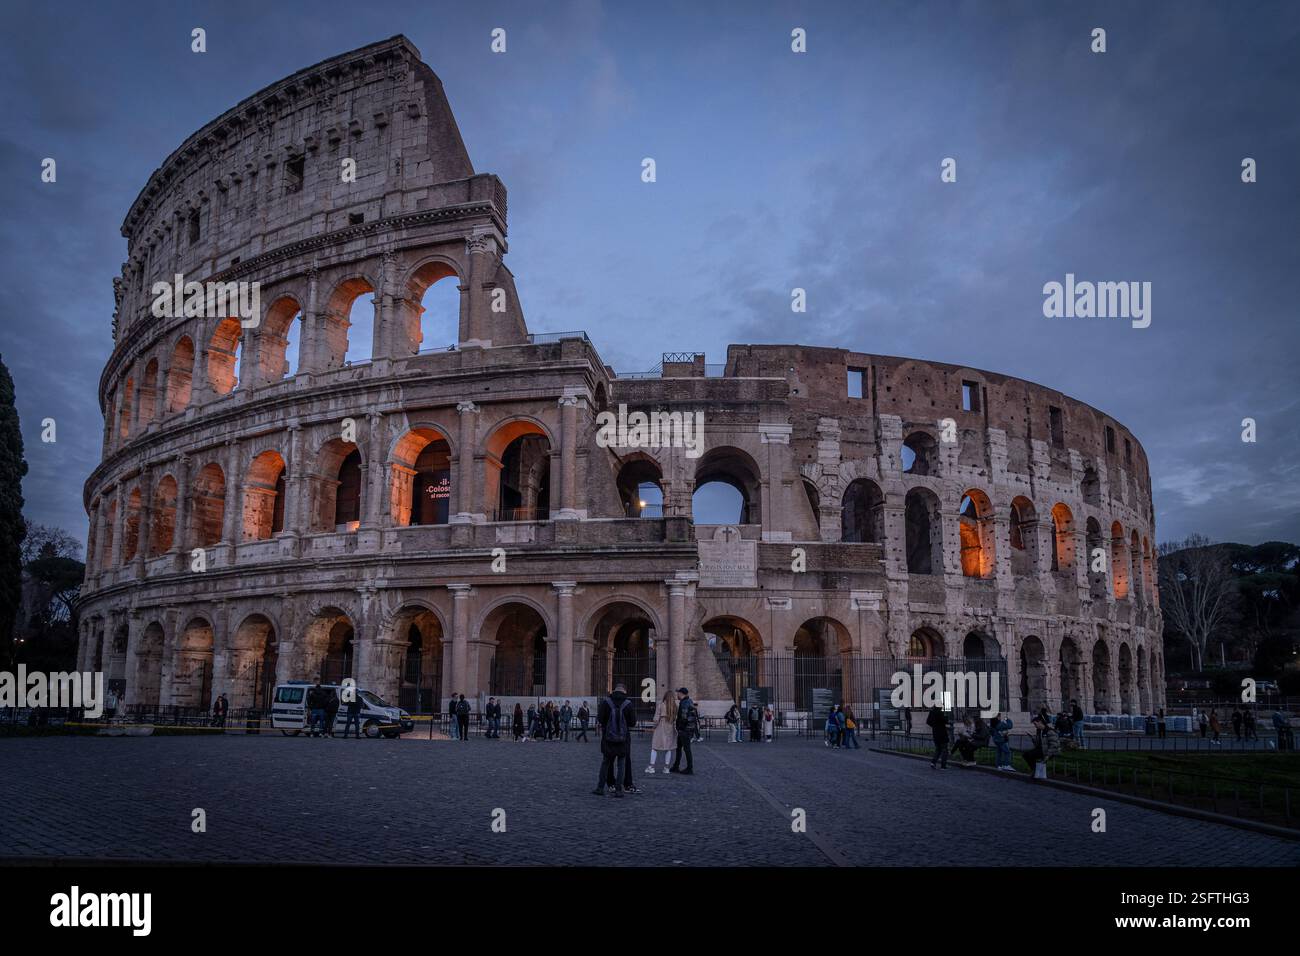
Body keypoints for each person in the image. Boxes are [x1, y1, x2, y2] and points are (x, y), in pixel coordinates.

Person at [593, 683, 636, 797]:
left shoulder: (606, 702)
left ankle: (600, 788)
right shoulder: (628, 704)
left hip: (608, 738)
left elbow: (600, 719)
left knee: (606, 762)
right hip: (623, 739)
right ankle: (618, 790)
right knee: (621, 764)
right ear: (624, 691)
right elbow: (633, 722)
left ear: (614, 691)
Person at [646, 689, 678, 774]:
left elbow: (656, 718)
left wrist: (654, 727)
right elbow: (676, 718)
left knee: (654, 747)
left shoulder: (661, 705)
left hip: (661, 727)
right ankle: (666, 768)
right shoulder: (675, 706)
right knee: (669, 748)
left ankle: (651, 767)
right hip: (670, 727)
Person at [669, 687, 696, 774]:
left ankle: (689, 768)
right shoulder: (690, 701)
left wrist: (680, 728)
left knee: (686, 749)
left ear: (681, 694)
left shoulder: (684, 703)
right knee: (679, 748)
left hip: (684, 730)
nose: (677, 695)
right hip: (688, 729)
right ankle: (676, 766)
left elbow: (684, 717)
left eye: (678, 693)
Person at [926, 705, 949, 769]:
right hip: (942, 733)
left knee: (938, 749)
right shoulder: (940, 713)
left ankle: (933, 762)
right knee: (945, 750)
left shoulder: (931, 712)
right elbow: (945, 721)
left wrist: (934, 726)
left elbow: (928, 722)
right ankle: (943, 765)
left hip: (935, 733)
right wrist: (946, 717)